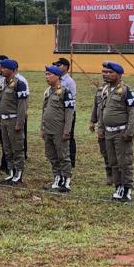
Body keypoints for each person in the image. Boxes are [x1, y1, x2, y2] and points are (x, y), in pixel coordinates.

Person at [96, 62, 134, 203]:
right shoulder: (105, 90)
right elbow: (102, 111)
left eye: (109, 72)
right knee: (113, 162)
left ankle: (127, 189)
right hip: (108, 132)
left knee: (124, 162)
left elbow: (132, 113)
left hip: (121, 131)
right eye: (104, 71)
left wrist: (130, 131)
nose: (105, 74)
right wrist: (100, 128)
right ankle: (118, 187)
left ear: (118, 75)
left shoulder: (127, 91)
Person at [41, 65, 75, 193]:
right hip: (48, 128)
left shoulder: (65, 92)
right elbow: (44, 111)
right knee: (51, 155)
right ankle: (57, 177)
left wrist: (67, 131)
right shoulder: (48, 91)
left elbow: (69, 113)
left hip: (59, 130)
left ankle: (66, 180)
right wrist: (42, 128)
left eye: (49, 74)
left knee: (63, 155)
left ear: (57, 76)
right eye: (46, 74)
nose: (47, 77)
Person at [0, 59, 28, 185]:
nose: (2, 69)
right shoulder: (4, 83)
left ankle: (18, 174)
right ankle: (10, 172)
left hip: (13, 119)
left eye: (5, 68)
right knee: (7, 148)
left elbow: (22, 105)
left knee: (17, 148)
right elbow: (1, 102)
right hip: (4, 120)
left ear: (12, 70)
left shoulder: (19, 84)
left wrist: (20, 122)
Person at [53, 58, 78, 167]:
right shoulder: (55, 79)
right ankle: (60, 157)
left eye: (59, 65)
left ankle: (71, 160)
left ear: (66, 67)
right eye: (56, 65)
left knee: (69, 136)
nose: (57, 67)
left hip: (68, 112)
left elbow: (72, 99)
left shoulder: (69, 81)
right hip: (57, 113)